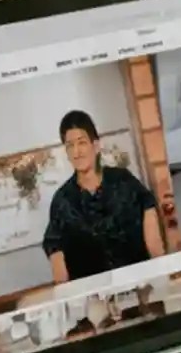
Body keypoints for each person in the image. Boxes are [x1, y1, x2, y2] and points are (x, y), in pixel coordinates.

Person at [42, 110, 165, 283]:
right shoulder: (62, 201)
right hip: (93, 294)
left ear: (96, 145)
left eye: (82, 143)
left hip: (140, 285)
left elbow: (148, 211)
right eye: (70, 146)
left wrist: (161, 272)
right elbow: (55, 250)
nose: (77, 152)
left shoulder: (123, 181)